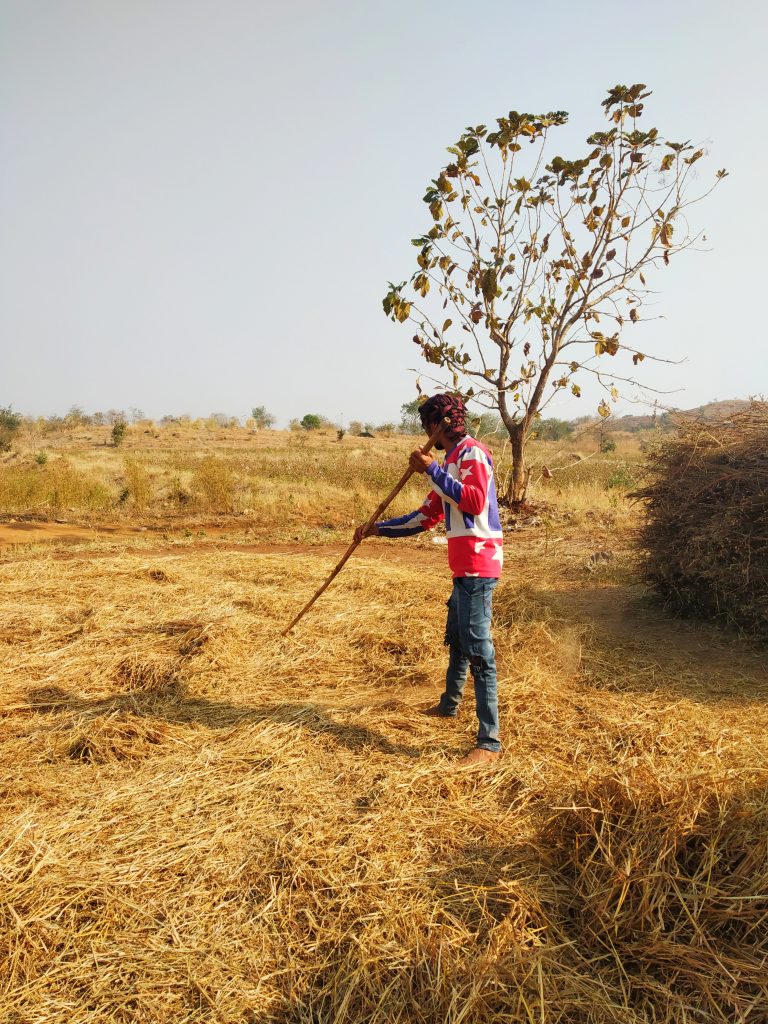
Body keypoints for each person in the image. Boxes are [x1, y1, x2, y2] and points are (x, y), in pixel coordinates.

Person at [354, 394, 503, 765]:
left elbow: (473, 500)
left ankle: (489, 744)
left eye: (427, 427)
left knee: (479, 651)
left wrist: (431, 471)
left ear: (437, 427)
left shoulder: (471, 455)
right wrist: (378, 529)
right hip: (462, 567)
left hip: (478, 564)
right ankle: (448, 705)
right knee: (458, 638)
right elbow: (426, 517)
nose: (425, 434)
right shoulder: (451, 461)